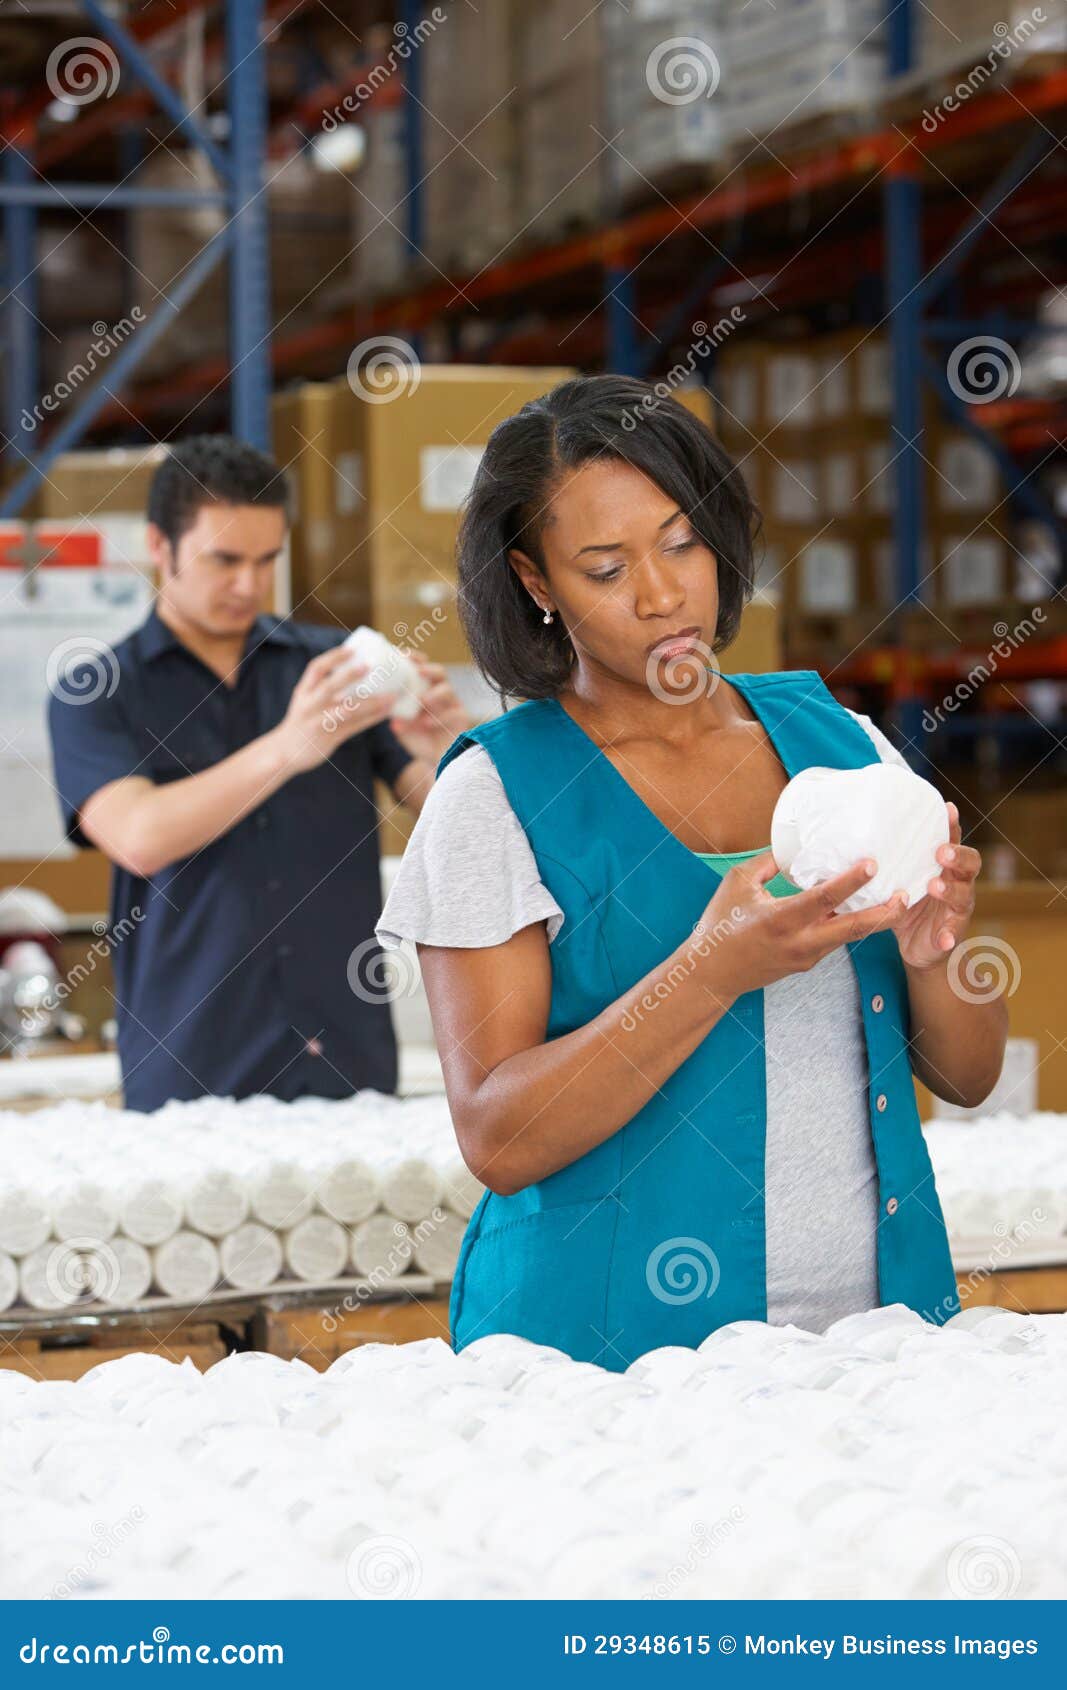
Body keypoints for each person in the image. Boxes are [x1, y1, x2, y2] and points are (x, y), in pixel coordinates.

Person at [376, 373, 1009, 1371]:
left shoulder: (843, 747)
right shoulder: (496, 796)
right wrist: (708, 970)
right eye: (603, 566)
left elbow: (968, 1076)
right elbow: (499, 1136)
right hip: (606, 1358)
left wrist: (932, 960)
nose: (662, 592)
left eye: (680, 542)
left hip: (869, 1348)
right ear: (535, 583)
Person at [48, 435, 469, 1112]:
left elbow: (444, 813)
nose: (248, 584)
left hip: (345, 1054)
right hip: (190, 1064)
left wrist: (450, 750)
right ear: (160, 547)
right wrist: (287, 747)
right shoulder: (97, 691)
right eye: (224, 560)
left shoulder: (336, 668)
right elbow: (138, 837)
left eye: (266, 560)